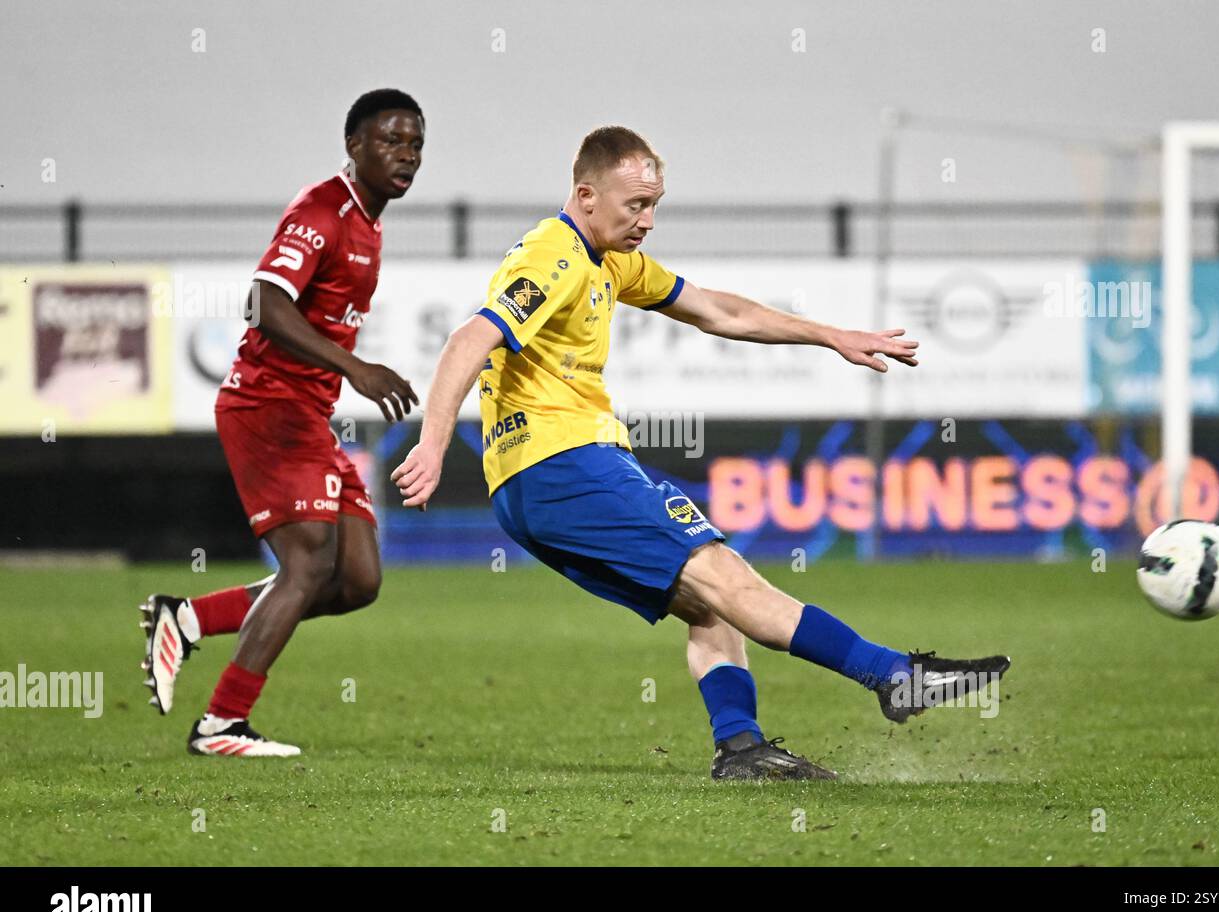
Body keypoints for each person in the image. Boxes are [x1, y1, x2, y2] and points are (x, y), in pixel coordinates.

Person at [392, 126, 1010, 780]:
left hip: (532, 488)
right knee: (725, 576)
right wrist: (433, 443)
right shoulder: (556, 256)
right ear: (586, 195)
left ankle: (740, 748)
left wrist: (828, 335)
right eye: (635, 206)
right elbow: (469, 338)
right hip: (566, 465)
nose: (648, 220)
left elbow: (718, 311)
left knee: (704, 601)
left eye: (655, 204)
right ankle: (892, 674)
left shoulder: (608, 259)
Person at [137, 89, 425, 757]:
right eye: (390, 140)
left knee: (357, 581)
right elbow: (263, 303)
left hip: (306, 415)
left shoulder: (369, 223)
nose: (405, 154)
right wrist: (354, 367)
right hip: (268, 407)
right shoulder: (323, 210)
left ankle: (185, 618)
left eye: (414, 144)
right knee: (307, 563)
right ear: (353, 146)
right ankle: (221, 725)